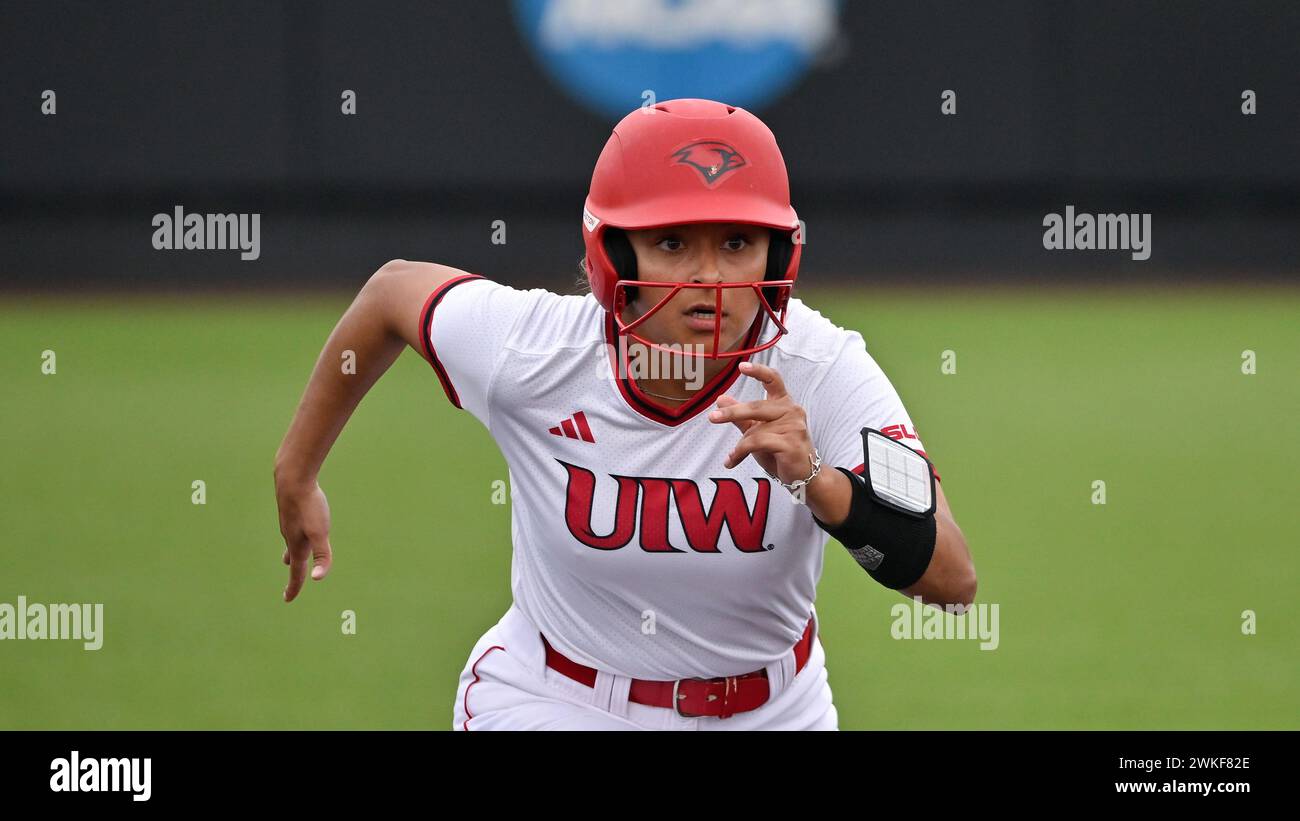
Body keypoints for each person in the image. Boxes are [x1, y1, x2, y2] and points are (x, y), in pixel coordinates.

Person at [273, 98, 976, 730]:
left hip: (774, 709)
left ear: (778, 254)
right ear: (612, 254)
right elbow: (392, 294)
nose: (708, 277)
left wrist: (819, 481)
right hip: (558, 699)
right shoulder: (535, 350)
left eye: (736, 242)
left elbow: (950, 579)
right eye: (672, 242)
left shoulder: (819, 368)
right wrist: (297, 469)